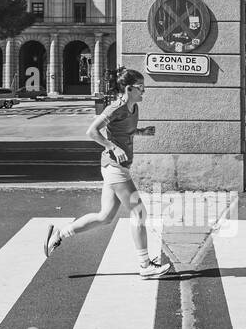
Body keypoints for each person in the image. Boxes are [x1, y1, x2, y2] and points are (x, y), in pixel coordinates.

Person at [43, 67, 174, 279]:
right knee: (139, 212)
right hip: (115, 167)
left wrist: (141, 131)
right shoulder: (116, 108)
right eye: (141, 88)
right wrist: (112, 147)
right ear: (129, 89)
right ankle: (145, 265)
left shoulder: (133, 108)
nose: (144, 92)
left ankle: (60, 234)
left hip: (118, 168)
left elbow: (125, 131)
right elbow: (92, 132)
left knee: (105, 217)